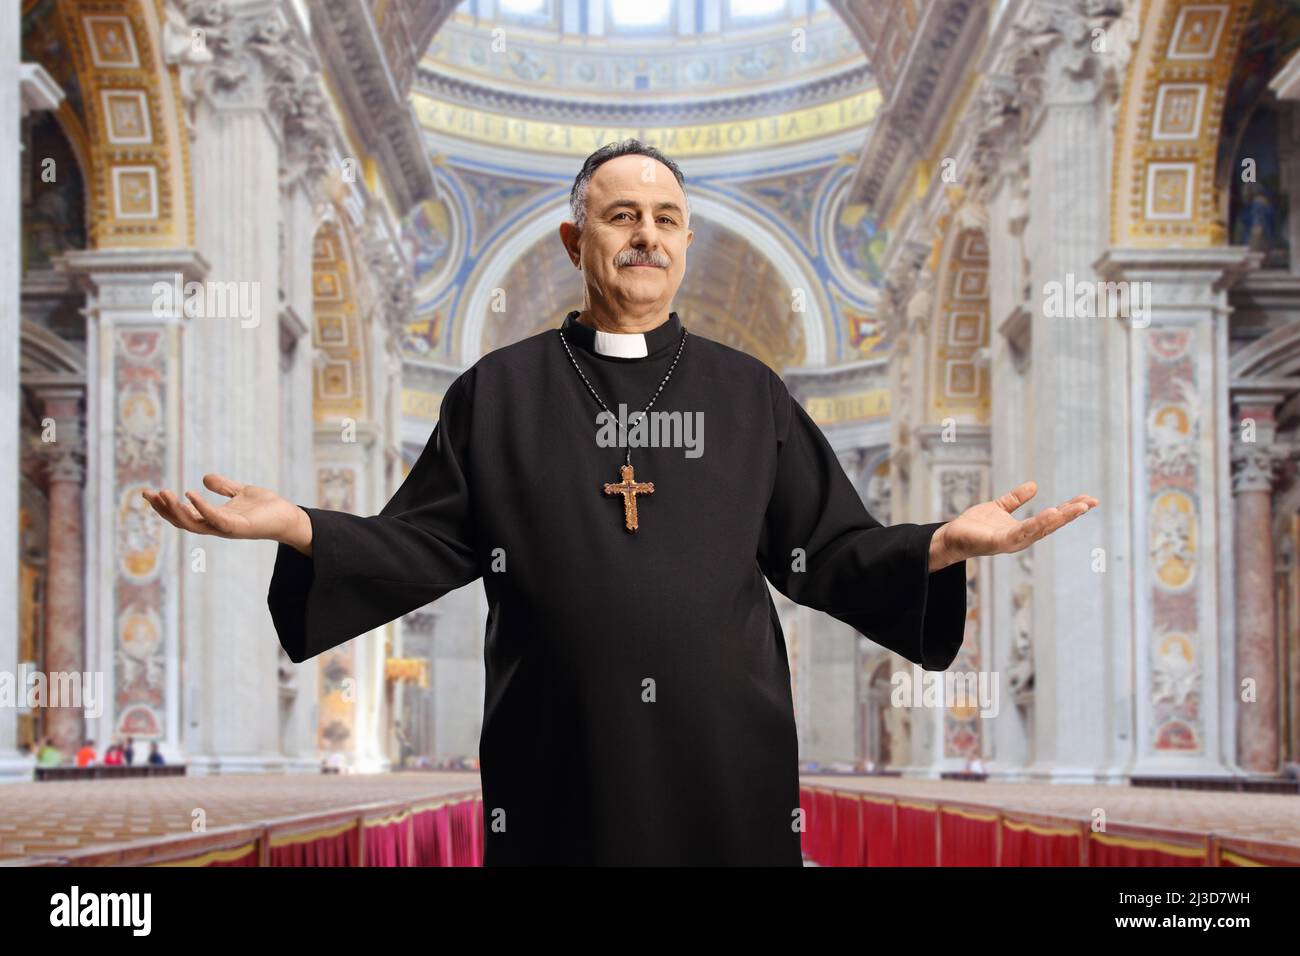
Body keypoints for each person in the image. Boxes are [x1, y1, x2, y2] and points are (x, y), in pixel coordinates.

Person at [141, 138, 1098, 866]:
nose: (647, 235)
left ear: (685, 243)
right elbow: (424, 542)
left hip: (725, 755)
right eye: (622, 216)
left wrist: (937, 545)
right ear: (575, 239)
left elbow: (829, 547)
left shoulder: (749, 393)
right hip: (558, 753)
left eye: (667, 219)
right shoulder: (498, 393)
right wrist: (298, 526)